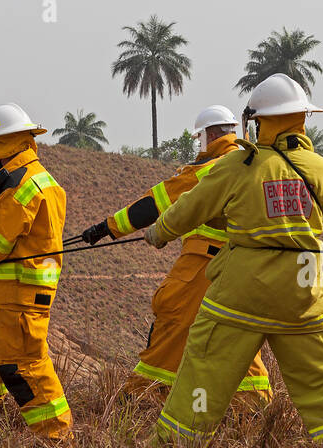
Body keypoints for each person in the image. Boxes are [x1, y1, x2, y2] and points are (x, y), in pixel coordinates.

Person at [144, 74, 323, 445]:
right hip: (303, 294)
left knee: (202, 380)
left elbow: (189, 209)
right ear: (303, 118)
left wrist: (158, 232)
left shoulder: (238, 166)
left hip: (240, 295)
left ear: (258, 122)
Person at [79, 105, 271, 403]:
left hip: (203, 269)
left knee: (172, 320)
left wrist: (107, 227)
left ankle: (141, 395)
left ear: (209, 134)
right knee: (236, 334)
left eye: (201, 138)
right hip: (247, 269)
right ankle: (254, 404)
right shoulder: (253, 164)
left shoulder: (211, 168)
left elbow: (155, 204)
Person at [0, 103, 72, 440]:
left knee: (22, 368)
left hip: (17, 298)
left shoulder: (20, 185)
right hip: (4, 294)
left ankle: (58, 443)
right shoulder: (37, 179)